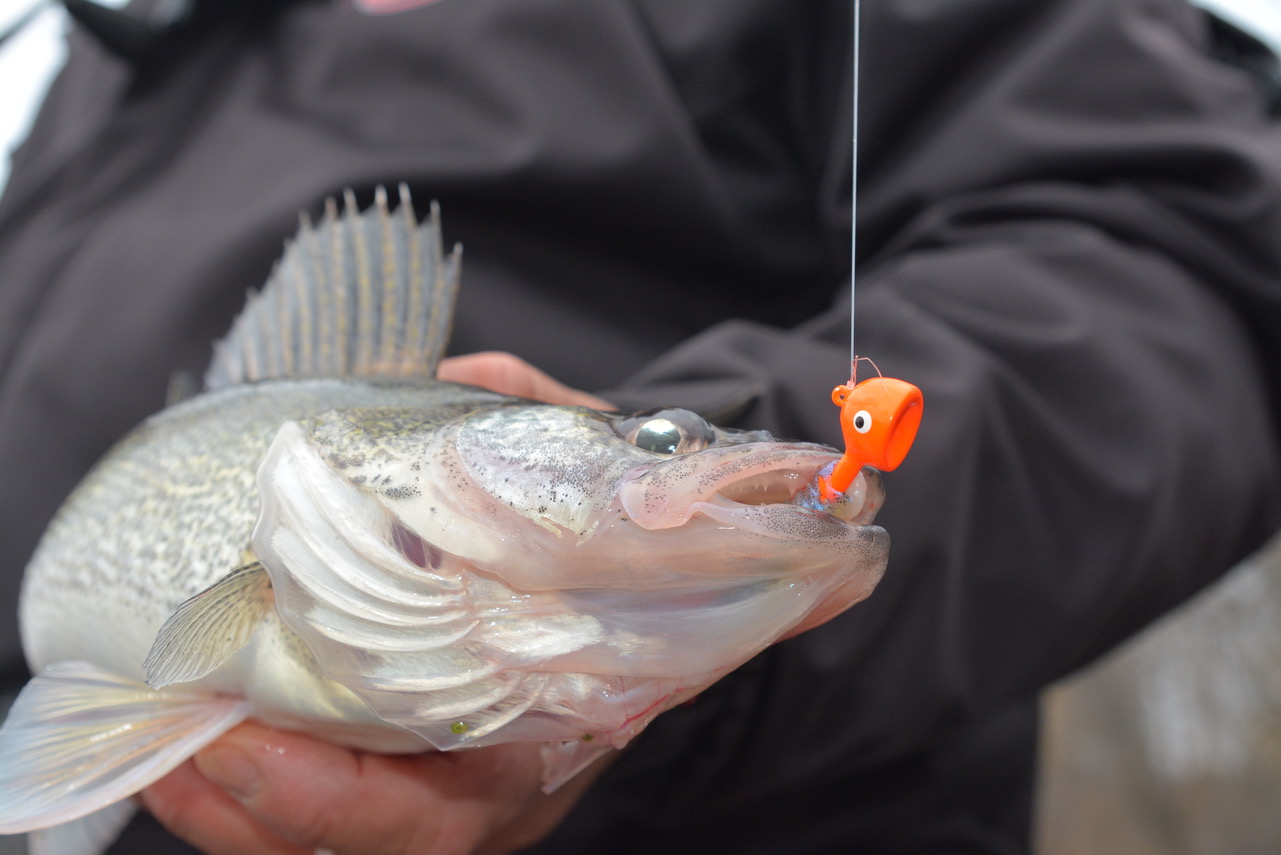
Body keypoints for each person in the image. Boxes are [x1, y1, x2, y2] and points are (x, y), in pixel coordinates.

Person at [2, 0, 1281, 852]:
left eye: (655, 446)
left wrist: (678, 644)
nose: (668, 462)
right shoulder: (125, 62)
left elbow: (1184, 262)